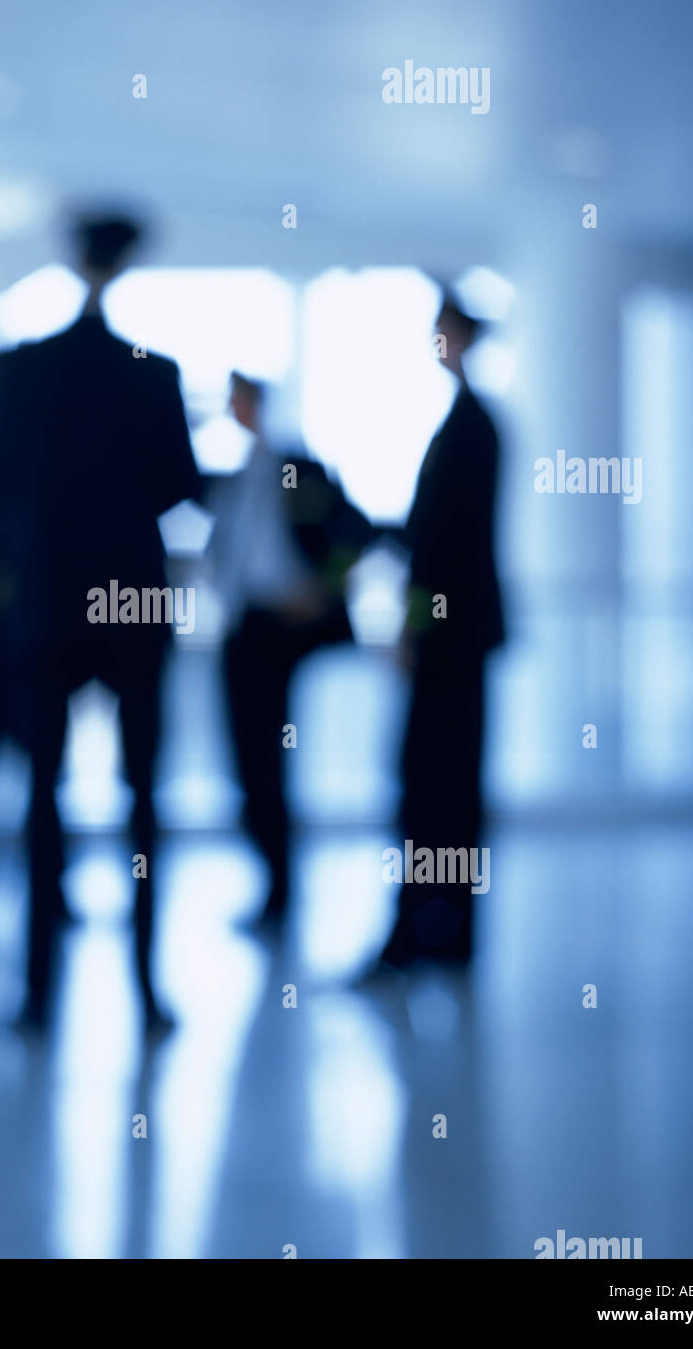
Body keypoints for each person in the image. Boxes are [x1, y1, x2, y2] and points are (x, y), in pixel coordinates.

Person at [0, 210, 201, 1032]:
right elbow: (181, 484)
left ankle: (38, 992)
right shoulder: (156, 373)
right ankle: (145, 991)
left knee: (43, 796)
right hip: (132, 606)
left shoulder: (23, 368)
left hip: (47, 606)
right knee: (143, 796)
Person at [205, 372, 372, 928]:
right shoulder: (231, 479)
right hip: (242, 626)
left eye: (242, 401)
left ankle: (280, 891)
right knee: (246, 759)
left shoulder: (296, 469)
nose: (235, 412)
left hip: (282, 627)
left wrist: (324, 591)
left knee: (269, 760)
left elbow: (357, 533)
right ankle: (271, 881)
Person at [370, 292, 504, 974]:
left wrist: (414, 628)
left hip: (452, 639)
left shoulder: (471, 429)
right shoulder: (465, 425)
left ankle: (429, 932)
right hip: (456, 635)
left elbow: (445, 549)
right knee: (439, 785)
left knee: (434, 785)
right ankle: (439, 933)